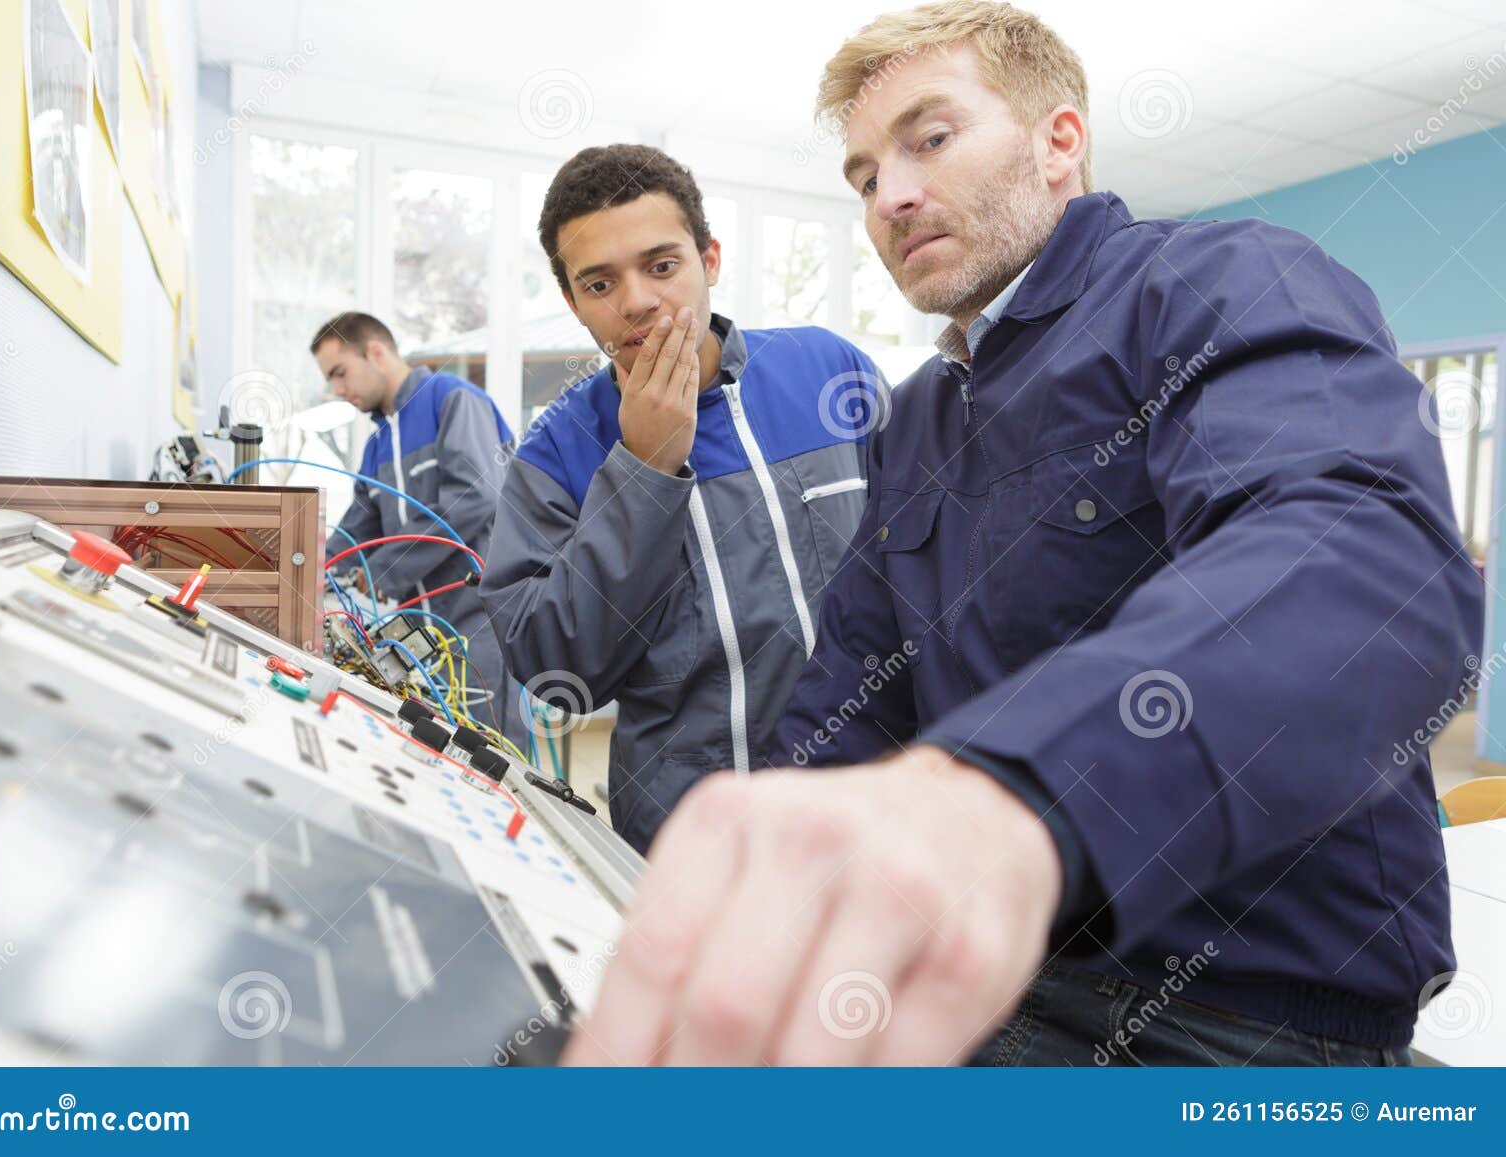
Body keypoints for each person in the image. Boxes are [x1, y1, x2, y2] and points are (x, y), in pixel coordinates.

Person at [563, 1, 1482, 1066]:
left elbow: (1363, 567)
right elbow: (856, 682)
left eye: (930, 138)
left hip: (1236, 1014)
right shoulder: (916, 418)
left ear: (1058, 140)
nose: (890, 195)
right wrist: (765, 870)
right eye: (862, 177)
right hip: (999, 979)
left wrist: (1012, 799)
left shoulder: (1217, 284)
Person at [480, 144, 886, 853]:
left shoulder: (830, 371)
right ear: (574, 303)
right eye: (599, 284)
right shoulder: (551, 456)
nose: (636, 301)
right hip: (690, 838)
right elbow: (556, 670)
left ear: (711, 260)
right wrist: (642, 468)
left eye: (662, 266)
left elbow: (929, 564)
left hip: (874, 804)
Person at [312, 311, 525, 750]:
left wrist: (383, 573)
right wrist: (310, 569)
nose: (337, 390)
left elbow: (473, 499)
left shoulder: (452, 401)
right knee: (438, 749)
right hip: (420, 633)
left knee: (488, 753)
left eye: (340, 373)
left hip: (478, 620)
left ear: (376, 352)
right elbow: (358, 527)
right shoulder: (376, 444)